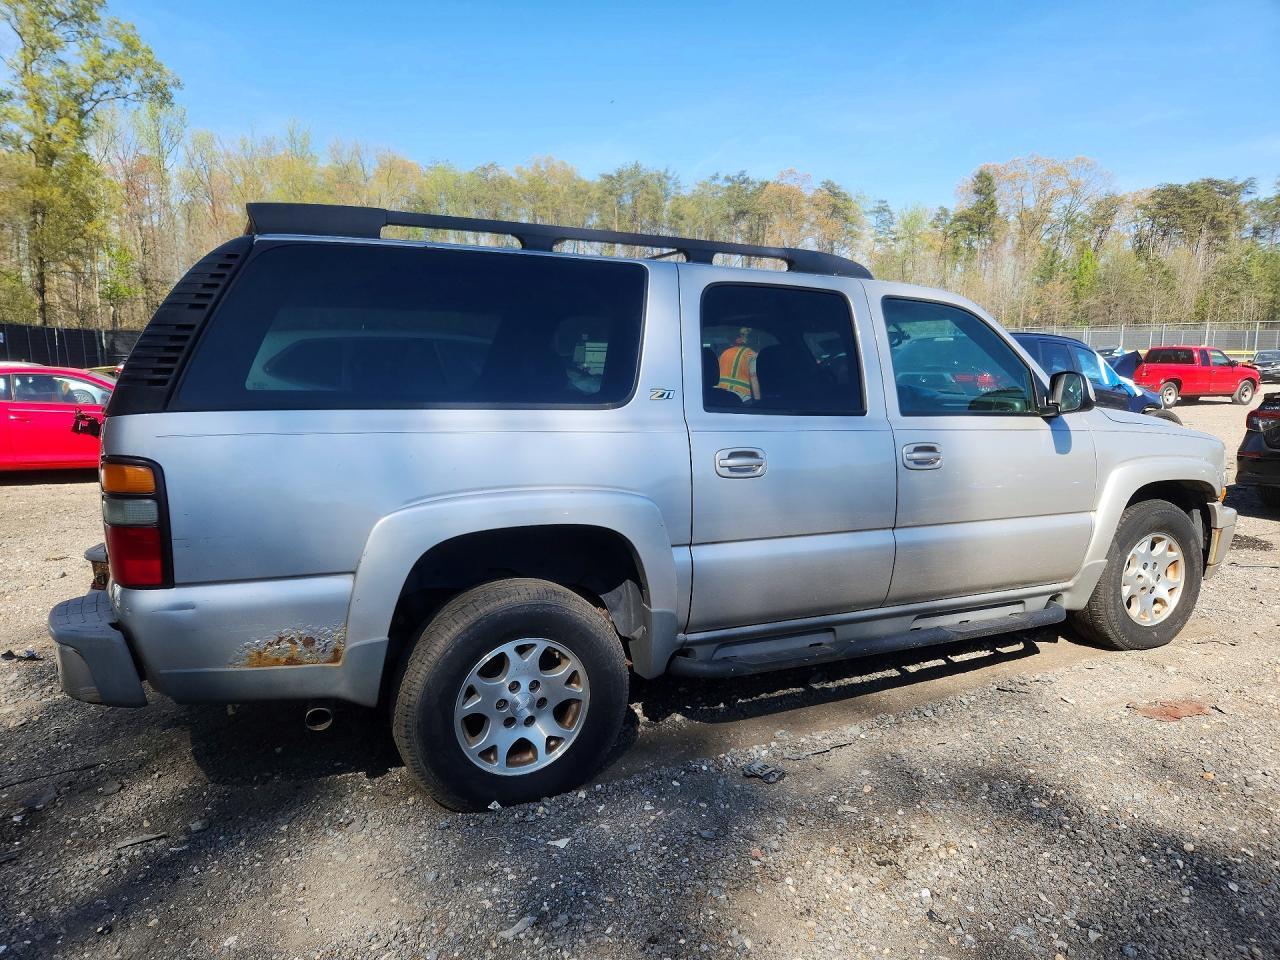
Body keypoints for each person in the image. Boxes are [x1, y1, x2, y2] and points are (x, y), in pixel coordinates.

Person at [718, 327, 760, 400]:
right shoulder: (751, 354)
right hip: (742, 396)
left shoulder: (724, 353)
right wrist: (758, 400)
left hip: (721, 394)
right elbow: (754, 378)